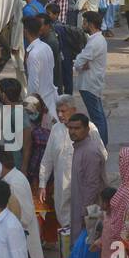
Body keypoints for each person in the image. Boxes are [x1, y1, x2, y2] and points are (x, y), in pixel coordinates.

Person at [38, 95, 107, 239]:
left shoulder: (90, 128)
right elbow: (48, 159)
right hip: (63, 188)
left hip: (85, 189)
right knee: (67, 227)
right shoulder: (56, 129)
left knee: (90, 228)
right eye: (58, 111)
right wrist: (42, 183)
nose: (60, 115)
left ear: (74, 110)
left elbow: (102, 155)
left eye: (63, 111)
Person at [67, 113, 108, 244]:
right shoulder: (80, 147)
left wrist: (86, 216)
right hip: (82, 209)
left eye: (77, 128)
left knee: (89, 247)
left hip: (89, 212)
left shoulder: (90, 152)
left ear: (87, 129)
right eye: (71, 128)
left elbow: (92, 186)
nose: (73, 132)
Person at [74, 9, 109, 146]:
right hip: (92, 83)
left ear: (91, 24)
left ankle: (101, 144)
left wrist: (80, 63)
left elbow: (79, 62)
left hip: (90, 84)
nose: (83, 24)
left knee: (97, 117)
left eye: (84, 22)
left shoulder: (95, 42)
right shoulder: (97, 40)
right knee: (98, 116)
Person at [23, 15, 58, 120]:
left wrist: (30, 106)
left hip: (41, 103)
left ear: (25, 31)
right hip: (51, 98)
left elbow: (33, 83)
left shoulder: (33, 54)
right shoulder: (46, 47)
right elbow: (52, 68)